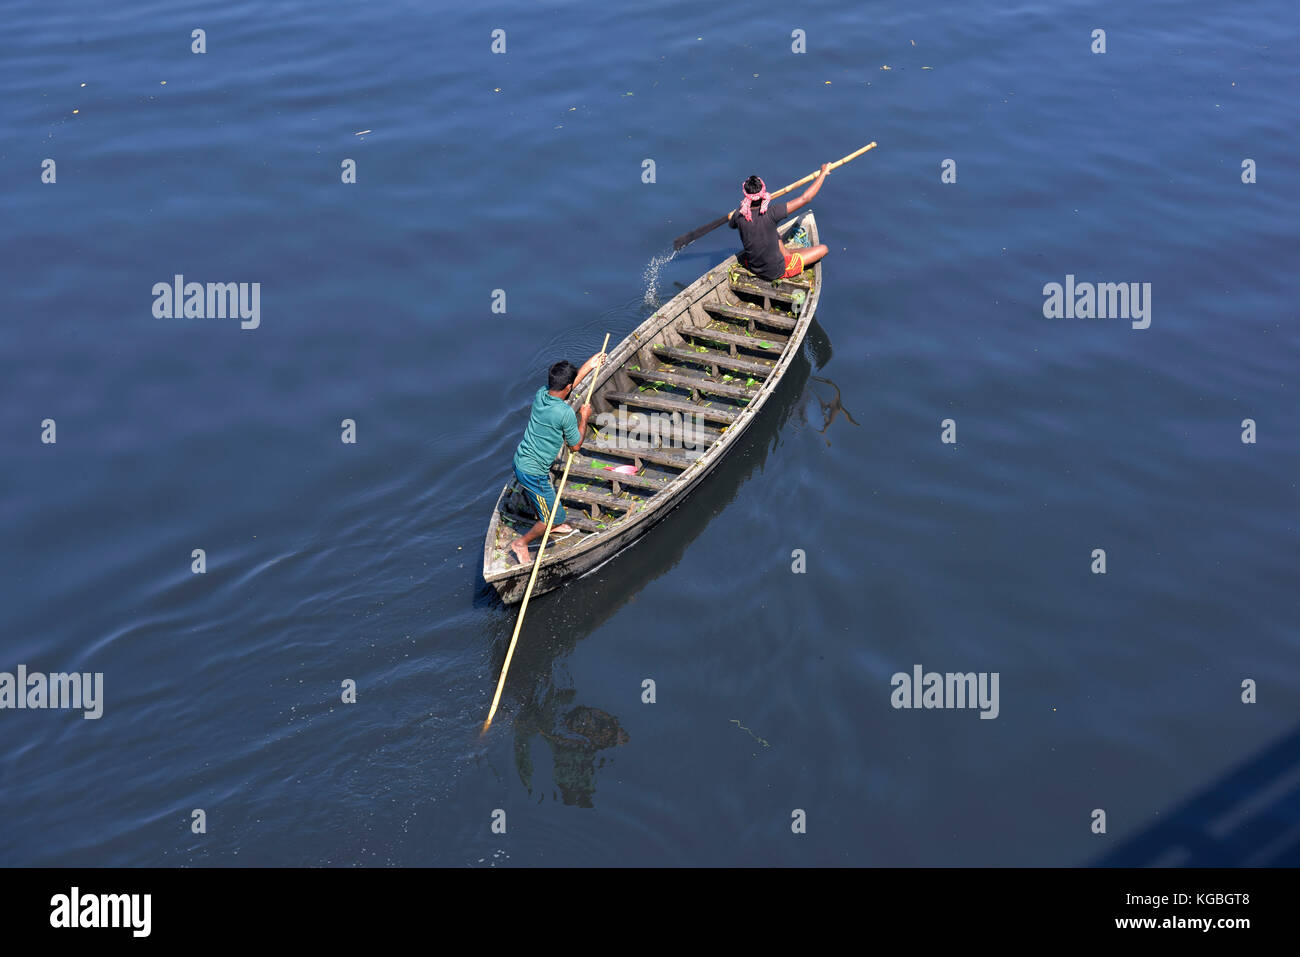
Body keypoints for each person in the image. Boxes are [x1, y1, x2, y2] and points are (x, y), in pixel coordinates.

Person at [509, 352, 606, 566]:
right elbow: (575, 446)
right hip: (533, 473)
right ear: (568, 387)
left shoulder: (541, 394)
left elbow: (566, 387)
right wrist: (584, 417)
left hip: (521, 461)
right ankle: (521, 543)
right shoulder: (565, 414)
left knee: (544, 504)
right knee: (555, 517)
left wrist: (590, 365)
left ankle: (543, 520)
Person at [729, 164, 831, 282]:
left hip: (752, 267)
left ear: (746, 195)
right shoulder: (771, 213)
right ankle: (788, 257)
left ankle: (787, 254)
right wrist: (823, 173)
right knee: (824, 249)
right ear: (763, 194)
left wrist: (736, 213)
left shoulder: (739, 214)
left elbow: (732, 225)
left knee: (775, 233)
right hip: (776, 271)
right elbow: (805, 198)